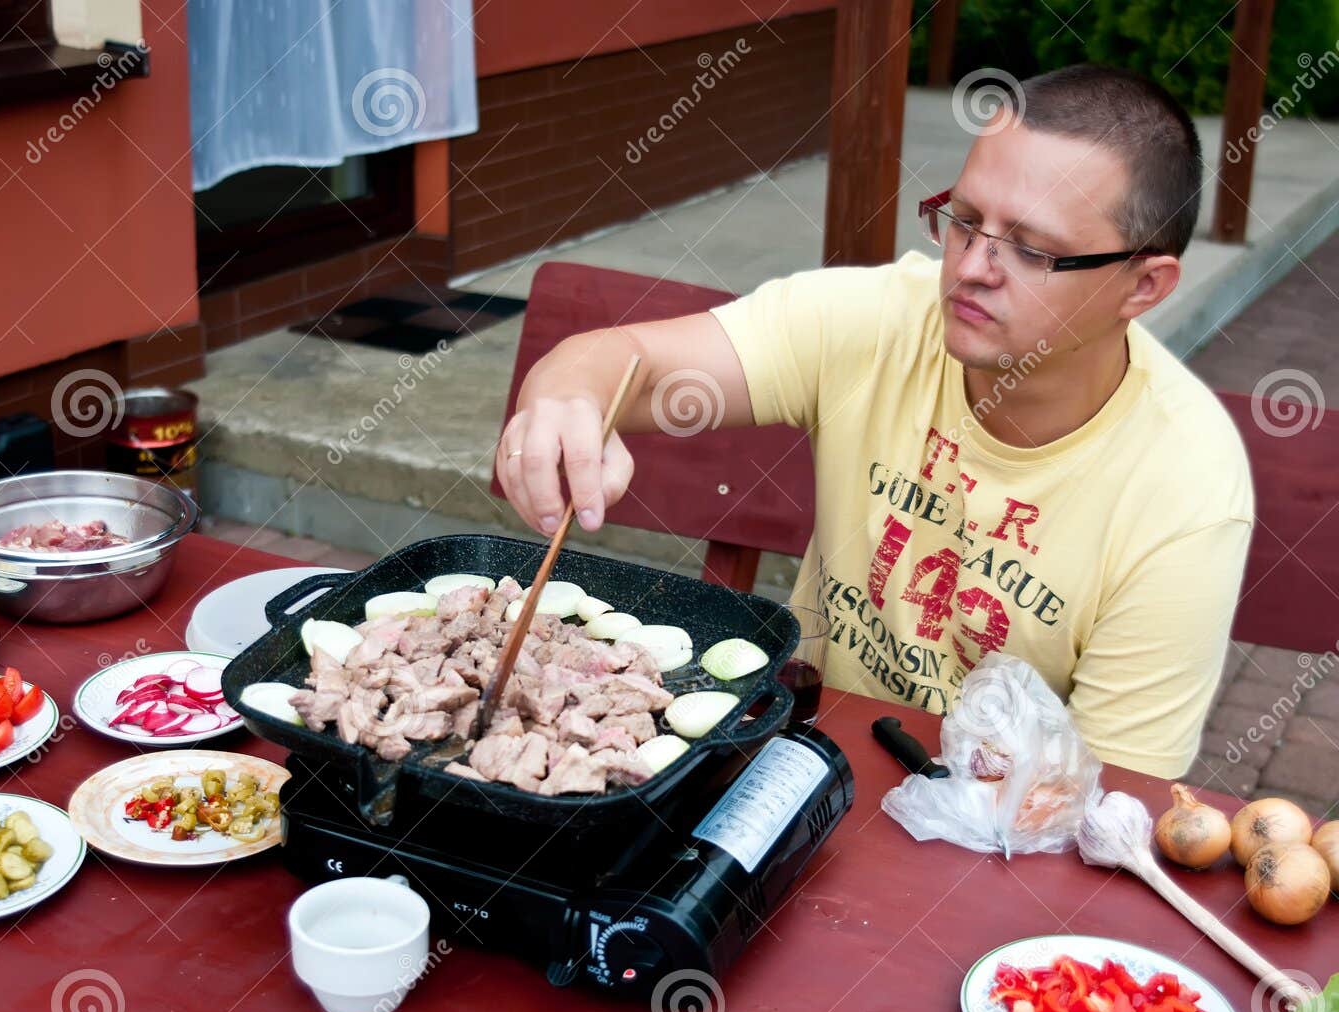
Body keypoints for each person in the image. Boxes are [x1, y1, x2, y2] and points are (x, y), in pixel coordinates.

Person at [494, 64, 1252, 780]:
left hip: (992, 843)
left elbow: (1109, 797)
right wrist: (569, 389)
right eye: (964, 218)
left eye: (1030, 248)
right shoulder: (883, 318)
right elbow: (634, 362)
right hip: (796, 755)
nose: (972, 267)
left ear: (1143, 285)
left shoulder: (1185, 490)